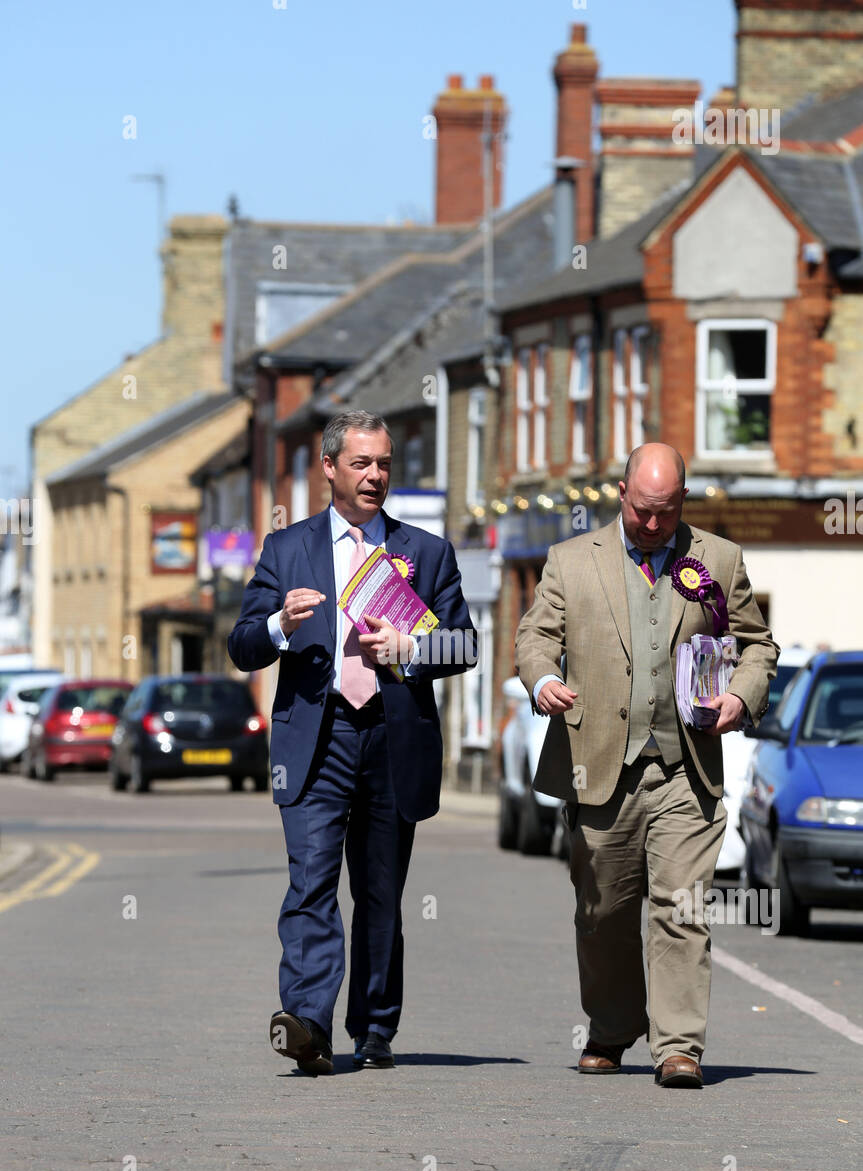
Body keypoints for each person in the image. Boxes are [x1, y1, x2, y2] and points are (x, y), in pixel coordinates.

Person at [515, 443, 779, 1089]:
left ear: (683, 499)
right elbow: (535, 636)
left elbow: (756, 645)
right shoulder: (570, 560)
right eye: (641, 510)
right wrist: (542, 679)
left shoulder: (719, 559)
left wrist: (740, 695)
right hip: (598, 767)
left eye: (665, 511)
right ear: (621, 494)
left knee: (682, 907)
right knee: (601, 912)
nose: (653, 524)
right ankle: (611, 1028)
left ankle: (678, 1046)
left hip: (685, 769)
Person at [228, 410, 476, 1075]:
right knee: (310, 882)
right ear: (329, 467)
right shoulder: (288, 549)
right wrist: (278, 624)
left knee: (379, 893)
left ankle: (373, 1027)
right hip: (319, 734)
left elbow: (464, 646)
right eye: (361, 463)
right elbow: (242, 645)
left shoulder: (425, 552)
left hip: (393, 737)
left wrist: (411, 647)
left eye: (384, 464)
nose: (374, 476)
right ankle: (308, 1024)